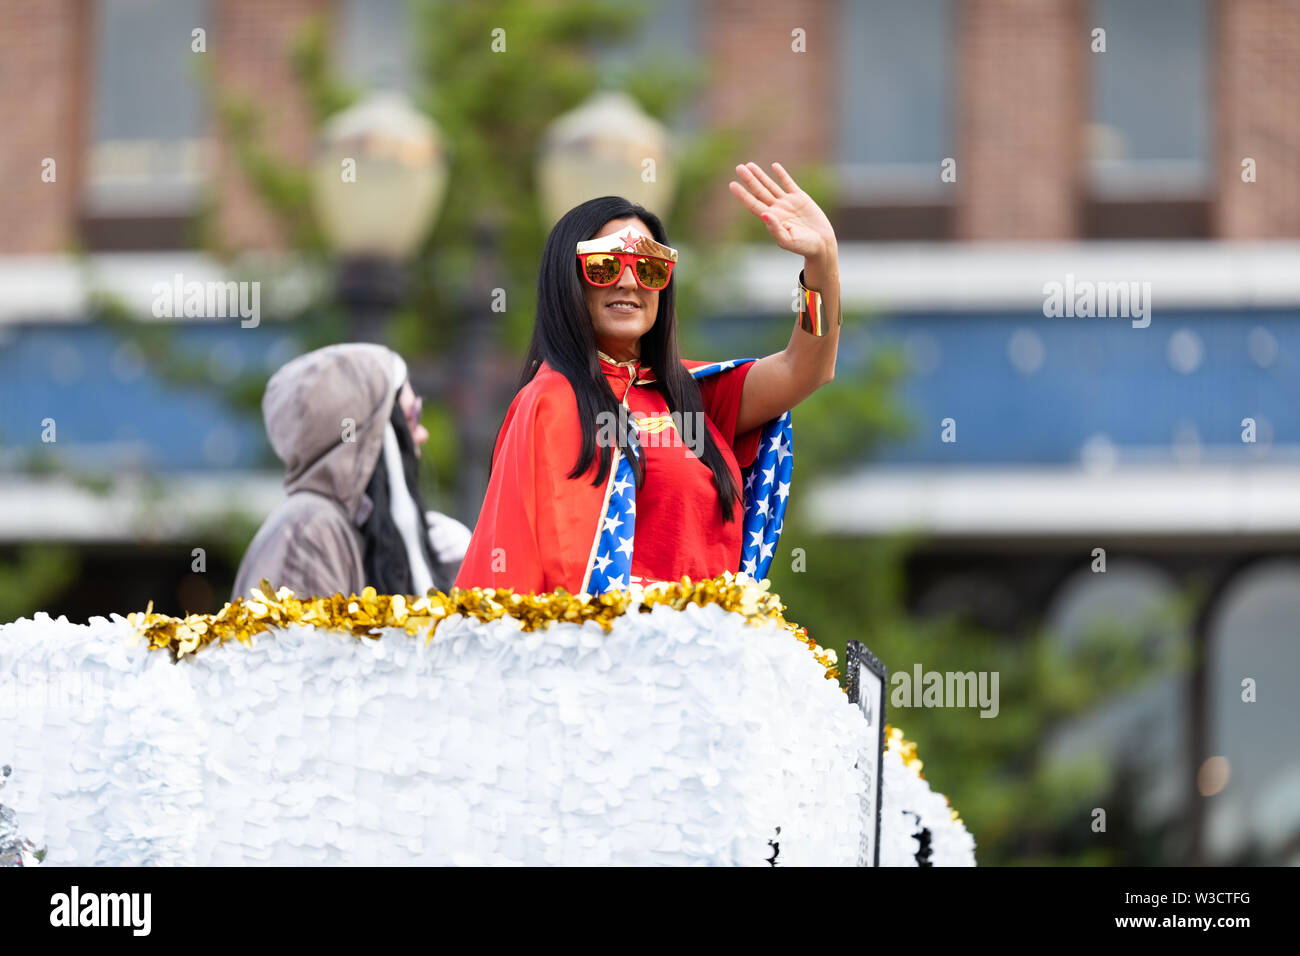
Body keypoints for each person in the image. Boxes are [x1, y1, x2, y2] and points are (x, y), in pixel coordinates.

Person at [455, 161, 840, 594]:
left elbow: (807, 367)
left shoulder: (692, 396)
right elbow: (513, 562)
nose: (628, 282)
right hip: (609, 650)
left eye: (649, 268)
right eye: (604, 265)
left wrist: (820, 261)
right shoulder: (548, 400)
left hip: (712, 649)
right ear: (568, 279)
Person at [231, 343, 471, 601]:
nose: (422, 434)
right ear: (378, 432)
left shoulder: (343, 526)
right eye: (413, 416)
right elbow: (295, 642)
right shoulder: (308, 530)